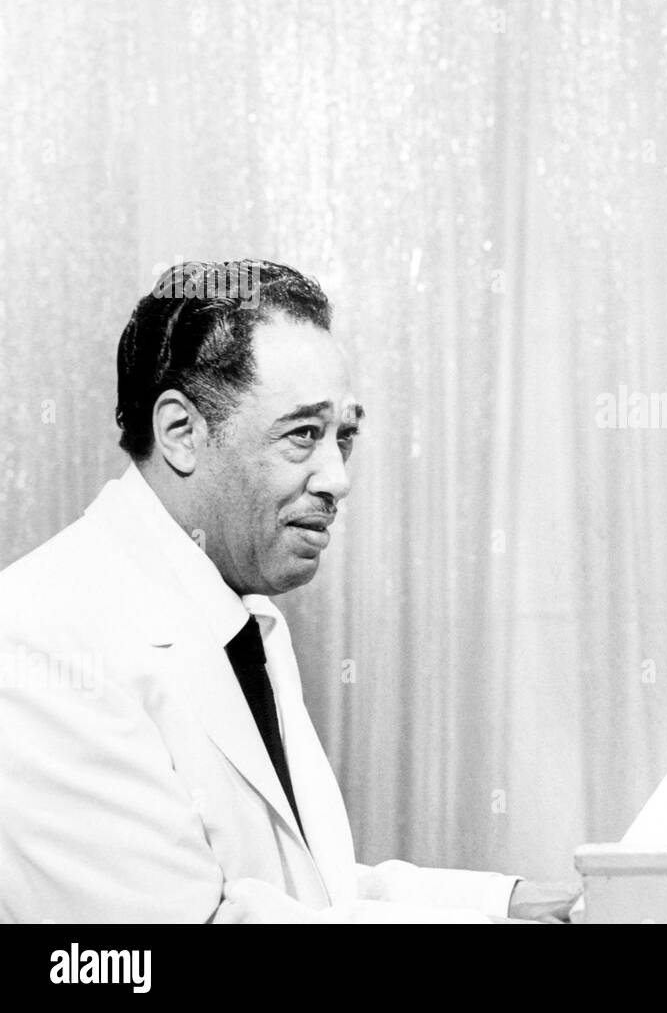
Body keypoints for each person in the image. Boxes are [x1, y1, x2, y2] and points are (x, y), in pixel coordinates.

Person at [0, 261, 575, 923]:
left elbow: (304, 890)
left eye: (343, 438)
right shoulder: (41, 642)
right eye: (304, 434)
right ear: (181, 432)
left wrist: (507, 905)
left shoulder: (236, 611)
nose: (337, 478)